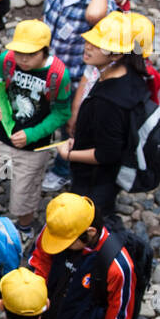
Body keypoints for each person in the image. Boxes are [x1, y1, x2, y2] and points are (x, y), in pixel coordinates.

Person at [0, 20, 70, 244]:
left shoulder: (58, 75)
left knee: (23, 195)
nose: (23, 59)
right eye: (19, 53)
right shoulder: (6, 61)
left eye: (30, 54)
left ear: (45, 50)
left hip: (33, 145)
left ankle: (24, 227)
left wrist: (32, 134)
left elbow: (62, 113)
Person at [56, 12, 151, 218]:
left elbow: (107, 154)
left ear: (116, 55)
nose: (88, 46)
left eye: (98, 45)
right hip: (106, 175)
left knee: (88, 220)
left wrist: (68, 155)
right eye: (90, 40)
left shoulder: (109, 102)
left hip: (95, 179)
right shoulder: (130, 76)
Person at [40, 0, 116, 192]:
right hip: (46, 71)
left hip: (73, 81)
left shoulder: (103, 7)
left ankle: (63, 169)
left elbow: (94, 17)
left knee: (71, 127)